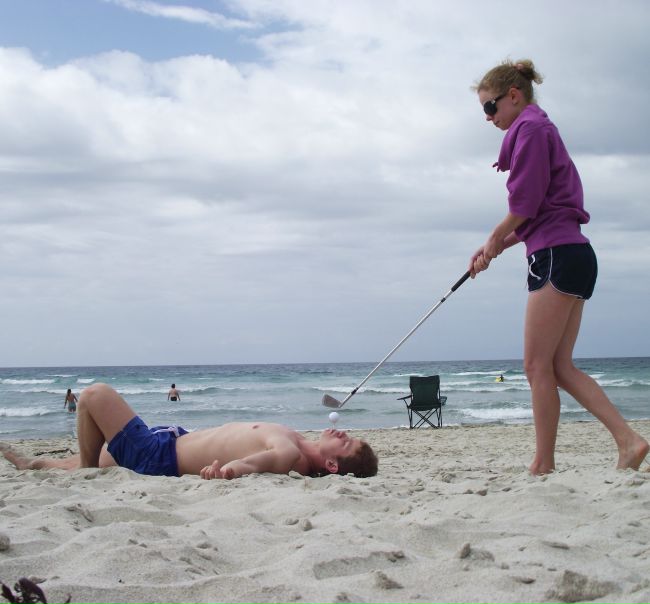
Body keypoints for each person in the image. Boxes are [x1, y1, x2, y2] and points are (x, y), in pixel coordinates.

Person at [469, 58, 649, 475]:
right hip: (573, 254)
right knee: (559, 367)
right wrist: (496, 246)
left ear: (514, 96)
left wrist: (495, 237)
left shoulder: (531, 130)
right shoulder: (539, 128)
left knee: (536, 366)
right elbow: (538, 212)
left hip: (556, 256)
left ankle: (543, 463)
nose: (489, 117)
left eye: (490, 107)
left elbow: (525, 204)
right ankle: (628, 441)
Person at [3, 383, 378, 479]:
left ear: (332, 465)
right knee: (92, 454)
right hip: (172, 439)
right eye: (349, 435)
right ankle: (35, 465)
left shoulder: (290, 453)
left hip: (158, 455)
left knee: (94, 395)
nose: (344, 434)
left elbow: (256, 463)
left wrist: (229, 471)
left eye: (348, 444)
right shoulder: (295, 440)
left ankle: (84, 474)